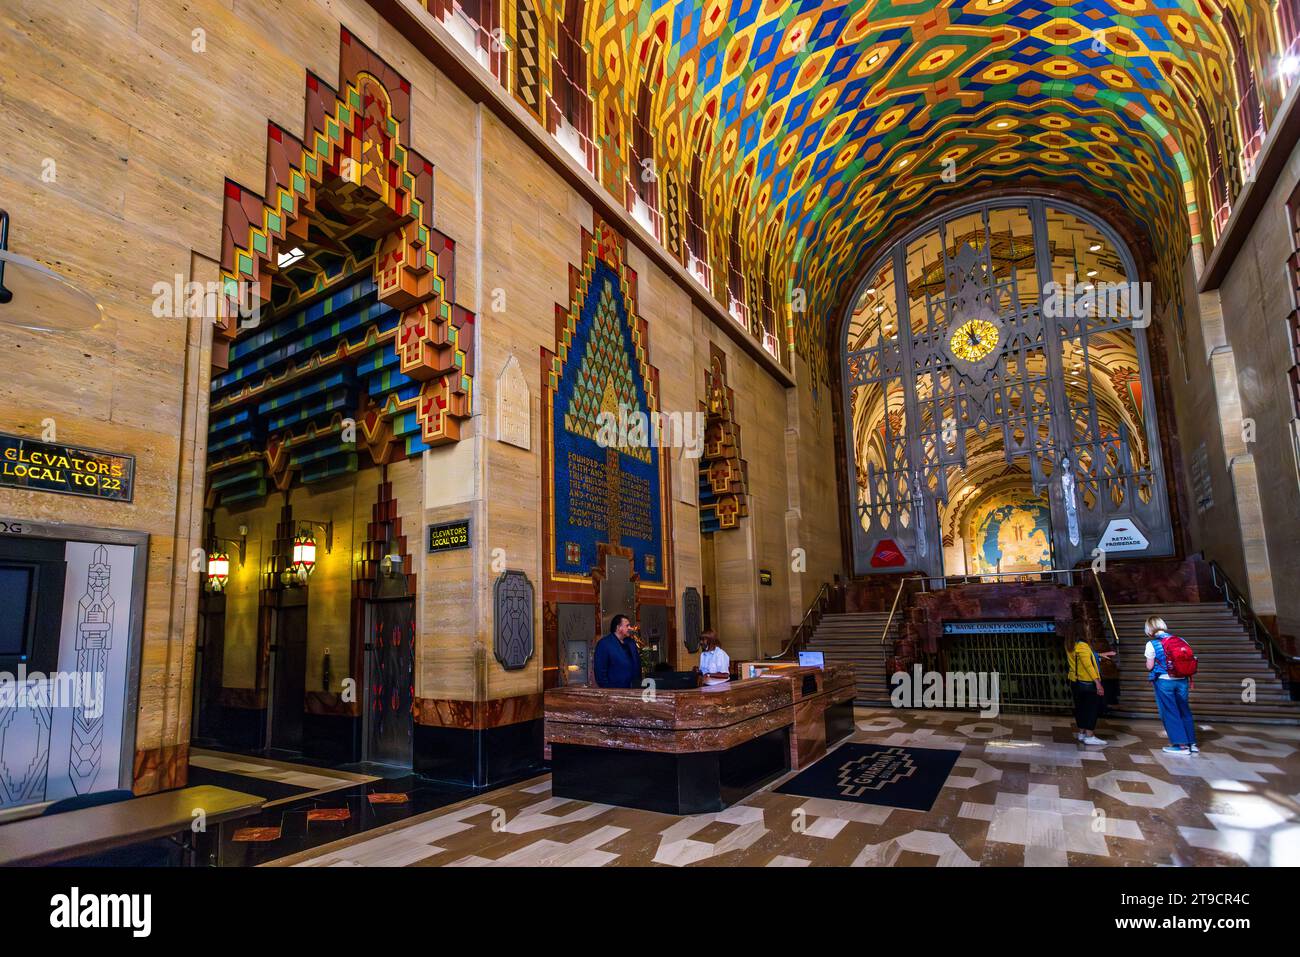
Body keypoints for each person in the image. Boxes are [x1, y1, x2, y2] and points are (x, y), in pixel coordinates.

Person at [1145, 616, 1198, 754]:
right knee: (1184, 709)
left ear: (1149, 629)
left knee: (1170, 711)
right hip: (1182, 680)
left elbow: (1150, 666)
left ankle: (1181, 746)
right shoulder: (1180, 640)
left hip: (1164, 681)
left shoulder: (1152, 644)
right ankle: (1192, 743)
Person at [1065, 635, 1109, 745]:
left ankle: (1082, 733)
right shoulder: (1083, 646)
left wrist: (1099, 655)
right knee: (1091, 709)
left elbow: (1081, 658)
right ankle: (1090, 736)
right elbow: (1088, 665)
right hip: (1087, 682)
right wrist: (1098, 683)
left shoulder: (1069, 644)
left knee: (1081, 708)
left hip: (1075, 681)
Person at [594, 614, 642, 689]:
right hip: (615, 692)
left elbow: (637, 665)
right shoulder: (604, 644)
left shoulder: (631, 643)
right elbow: (600, 673)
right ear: (618, 627)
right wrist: (609, 691)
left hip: (634, 690)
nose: (630, 628)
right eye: (627, 626)